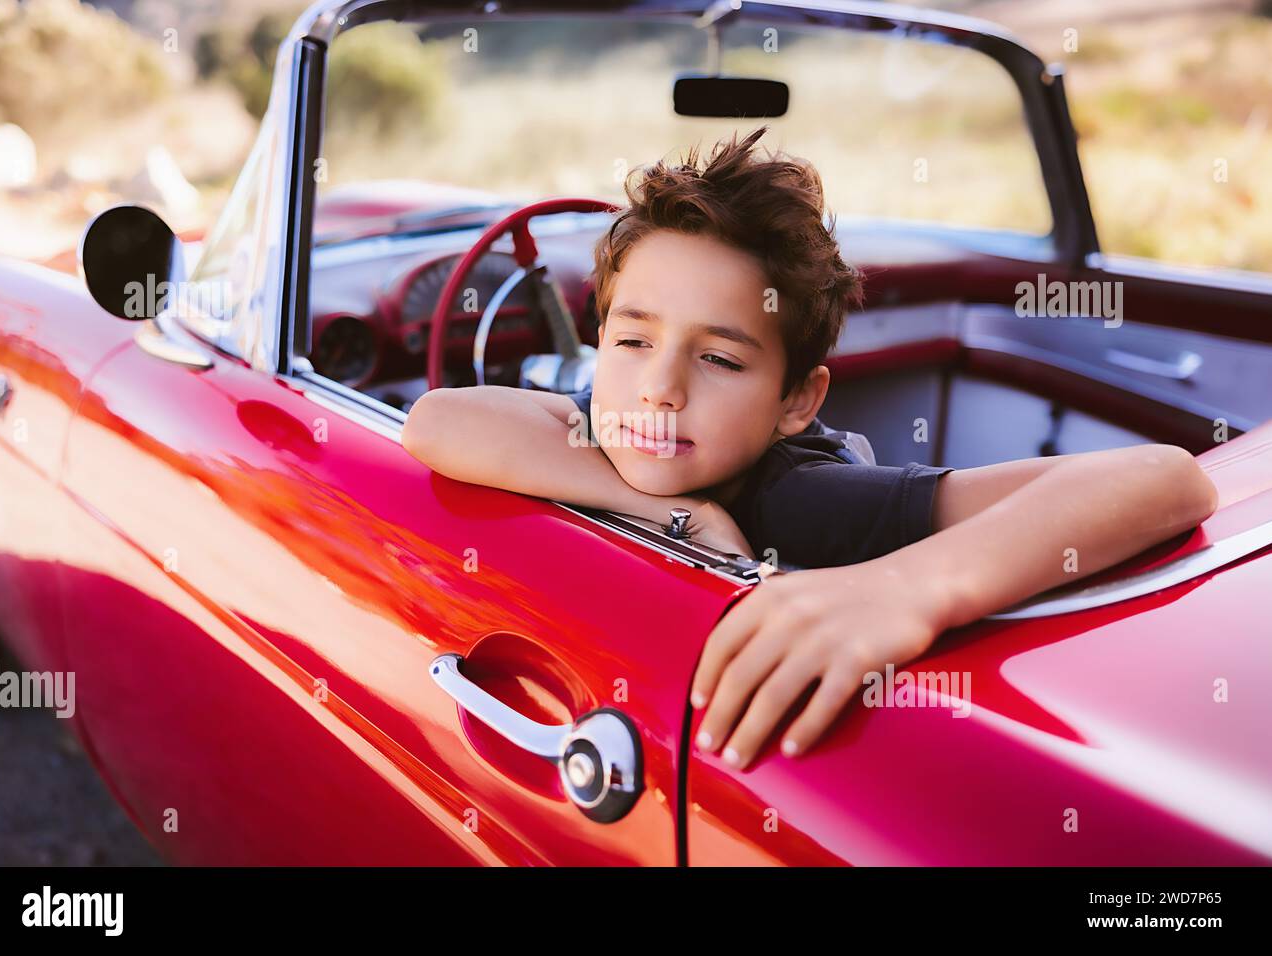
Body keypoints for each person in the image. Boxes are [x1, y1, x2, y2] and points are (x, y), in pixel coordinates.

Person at [402, 125, 1218, 769]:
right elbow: (435, 419)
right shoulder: (628, 423)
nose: (661, 386)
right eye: (634, 340)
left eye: (719, 359)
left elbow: (1166, 479)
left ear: (798, 400)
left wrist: (905, 590)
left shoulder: (803, 499)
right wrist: (671, 511)